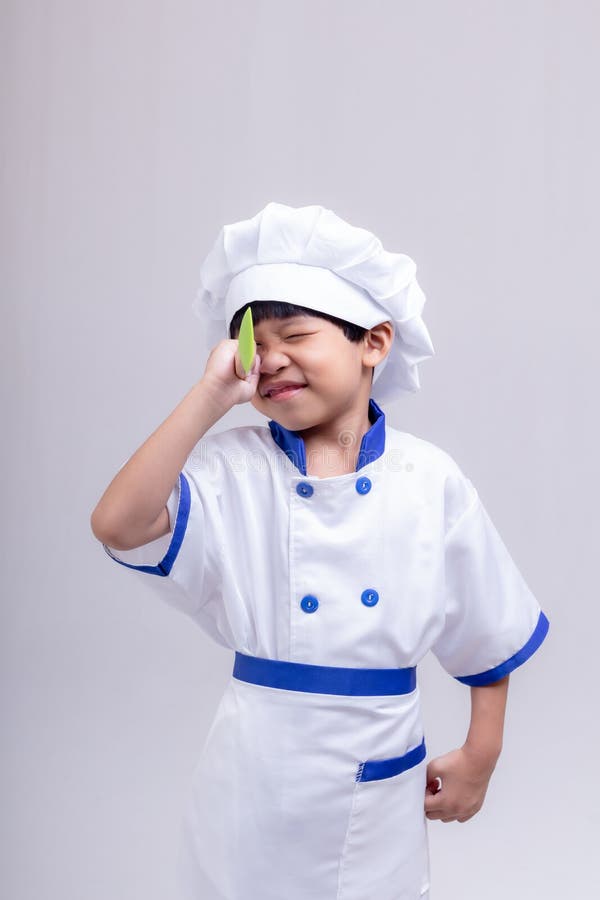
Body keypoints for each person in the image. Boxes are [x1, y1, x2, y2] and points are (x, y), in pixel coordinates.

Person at [90, 201, 550, 900]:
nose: (270, 358)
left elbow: (489, 627)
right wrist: (210, 396)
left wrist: (481, 753)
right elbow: (118, 525)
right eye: (252, 342)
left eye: (296, 333)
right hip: (254, 770)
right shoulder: (231, 469)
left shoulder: (429, 480)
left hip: (378, 763)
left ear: (374, 342)